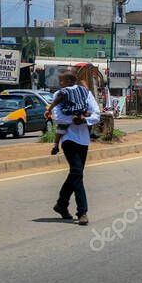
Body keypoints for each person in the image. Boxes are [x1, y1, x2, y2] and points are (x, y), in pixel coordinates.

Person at [48, 70, 100, 226]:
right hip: (68, 138)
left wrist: (83, 120)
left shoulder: (85, 93)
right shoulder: (59, 94)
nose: (61, 83)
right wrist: (75, 119)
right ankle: (82, 212)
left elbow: (96, 114)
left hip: (83, 139)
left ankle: (61, 204)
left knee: (75, 174)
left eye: (63, 80)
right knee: (77, 173)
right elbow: (57, 116)